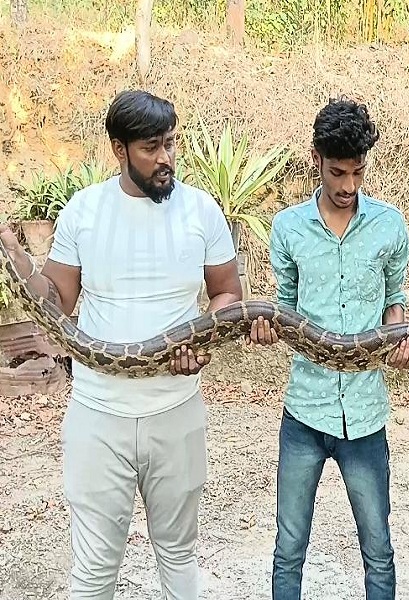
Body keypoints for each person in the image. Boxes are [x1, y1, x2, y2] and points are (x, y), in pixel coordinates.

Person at [0, 90, 243, 599]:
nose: (165, 159)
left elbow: (226, 294)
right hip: (97, 416)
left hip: (177, 411)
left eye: (171, 144)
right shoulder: (84, 212)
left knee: (178, 556)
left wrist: (205, 337)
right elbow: (56, 303)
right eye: (151, 147)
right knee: (93, 570)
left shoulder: (201, 210)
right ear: (118, 149)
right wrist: (12, 247)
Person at [249, 97, 409, 600]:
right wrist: (267, 328)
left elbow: (395, 301)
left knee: (378, 547)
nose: (347, 186)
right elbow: (284, 307)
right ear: (316, 158)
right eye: (337, 172)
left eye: (357, 172)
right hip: (304, 412)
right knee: (289, 546)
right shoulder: (287, 227)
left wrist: (399, 334)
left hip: (365, 415)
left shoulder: (389, 225)